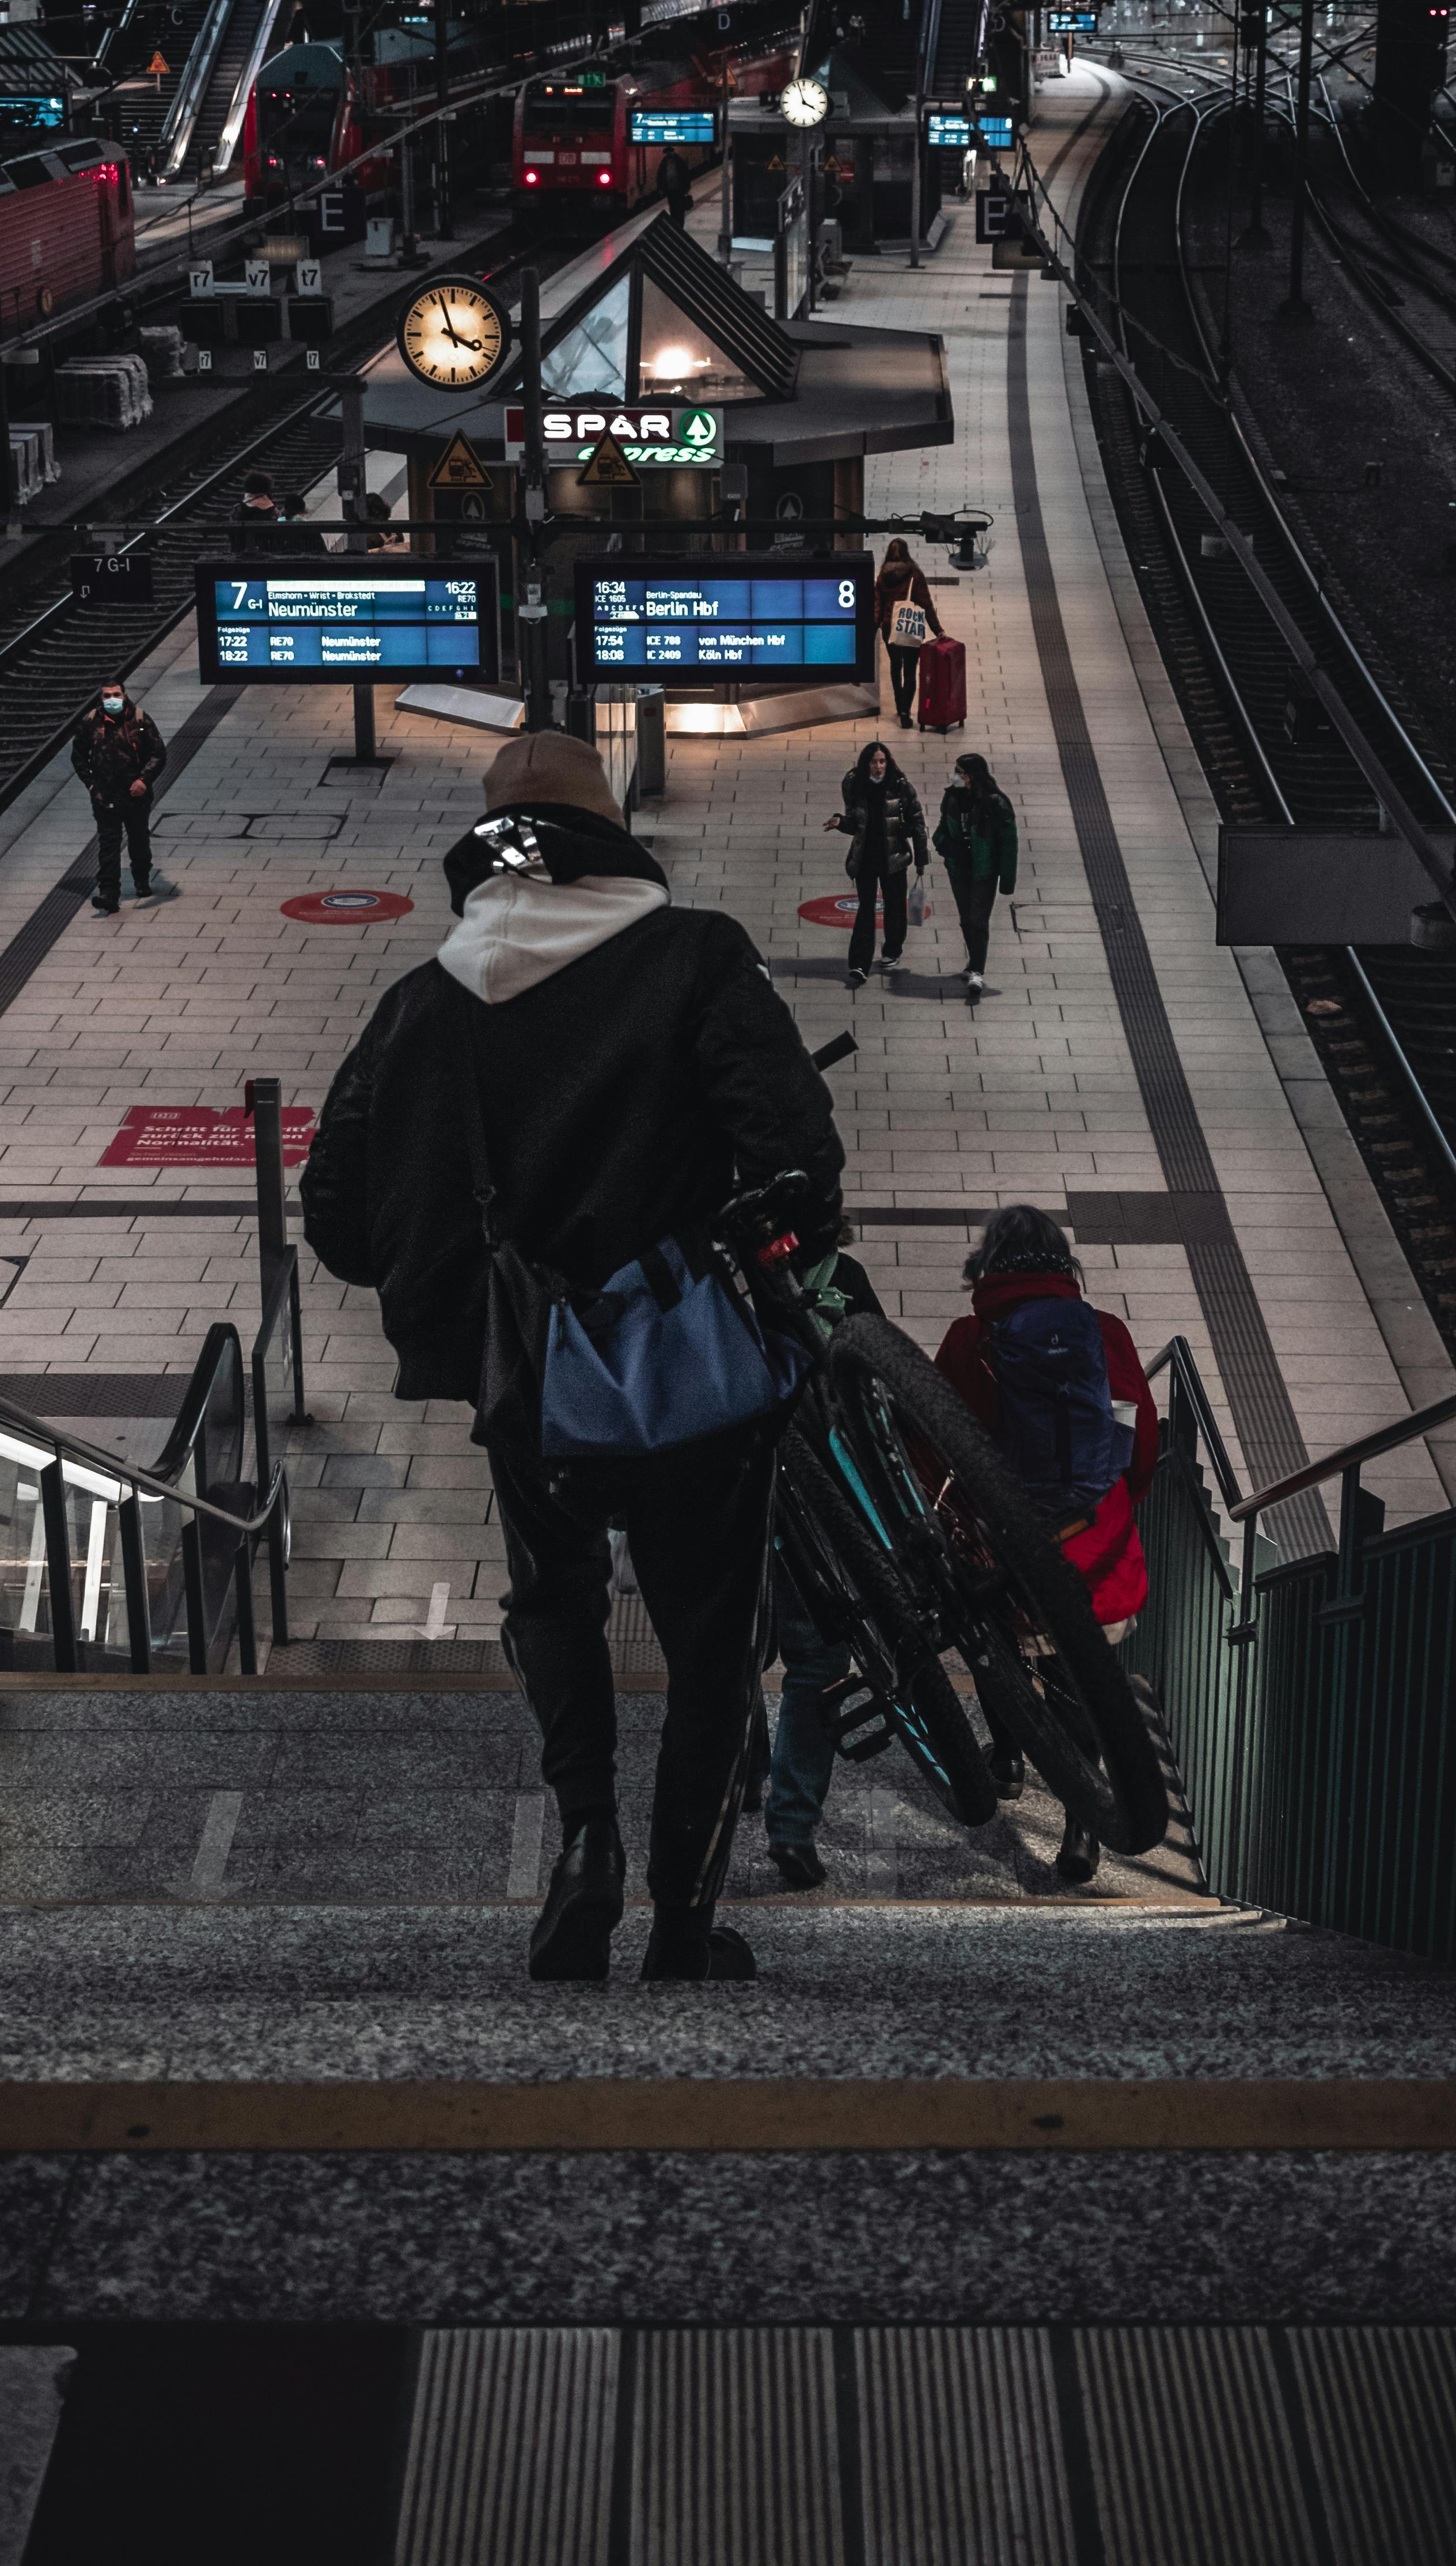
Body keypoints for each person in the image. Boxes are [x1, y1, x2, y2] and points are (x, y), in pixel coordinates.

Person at [301, 732, 844, 1984]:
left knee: (554, 1605)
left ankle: (583, 1850)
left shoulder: (417, 1006)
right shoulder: (693, 954)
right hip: (691, 1375)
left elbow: (337, 1218)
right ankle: (684, 1911)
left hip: (528, 1385)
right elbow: (792, 1145)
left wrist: (472, 1270)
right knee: (711, 1636)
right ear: (611, 837)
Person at [934, 1206, 1160, 1883]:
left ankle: (1004, 1760)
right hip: (1093, 1542)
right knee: (1080, 1684)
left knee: (998, 1656)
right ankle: (1082, 1825)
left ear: (987, 1265)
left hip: (999, 1544)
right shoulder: (1103, 1332)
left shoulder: (969, 1337)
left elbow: (936, 1443)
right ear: (1066, 1266)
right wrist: (1117, 1509)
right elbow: (1141, 1439)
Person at [761, 1231, 884, 1887]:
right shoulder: (846, 1276)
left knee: (725, 1660)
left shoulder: (707, 1274)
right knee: (817, 1661)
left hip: (737, 1498)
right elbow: (880, 1387)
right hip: (822, 1503)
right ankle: (791, 1828)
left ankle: (740, 1784)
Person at [824, 741, 928, 990]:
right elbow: (855, 824)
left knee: (895, 908)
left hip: (894, 858)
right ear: (866, 764)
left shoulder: (901, 786)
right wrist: (841, 822)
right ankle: (860, 963)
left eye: (882, 762)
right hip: (866, 858)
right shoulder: (855, 785)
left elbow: (917, 822)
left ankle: (892, 949)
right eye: (873, 762)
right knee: (866, 909)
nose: (878, 767)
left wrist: (922, 859)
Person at [71, 684, 168, 914]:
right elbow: (78, 756)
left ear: (124, 695)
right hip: (105, 795)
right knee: (109, 843)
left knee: (139, 838)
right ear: (101, 698)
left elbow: (158, 753)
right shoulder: (91, 722)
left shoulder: (140, 720)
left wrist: (144, 780)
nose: (112, 699)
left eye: (116, 695)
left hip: (136, 795)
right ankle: (109, 893)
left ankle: (141, 879)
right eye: (107, 696)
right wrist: (92, 784)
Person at [932, 753, 1019, 1001]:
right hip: (958, 869)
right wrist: (944, 846)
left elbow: (1009, 844)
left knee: (979, 920)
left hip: (984, 871)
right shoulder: (952, 797)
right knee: (966, 919)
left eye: (960, 772)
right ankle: (973, 963)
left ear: (972, 776)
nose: (956, 776)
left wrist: (1007, 881)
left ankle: (977, 971)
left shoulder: (995, 803)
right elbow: (941, 830)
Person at [874, 536, 943, 728]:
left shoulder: (883, 577)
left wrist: (875, 627)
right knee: (911, 671)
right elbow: (926, 604)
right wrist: (938, 630)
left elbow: (877, 606)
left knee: (896, 666)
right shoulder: (915, 575)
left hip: (890, 629)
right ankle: (906, 712)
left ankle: (899, 705)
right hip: (911, 627)